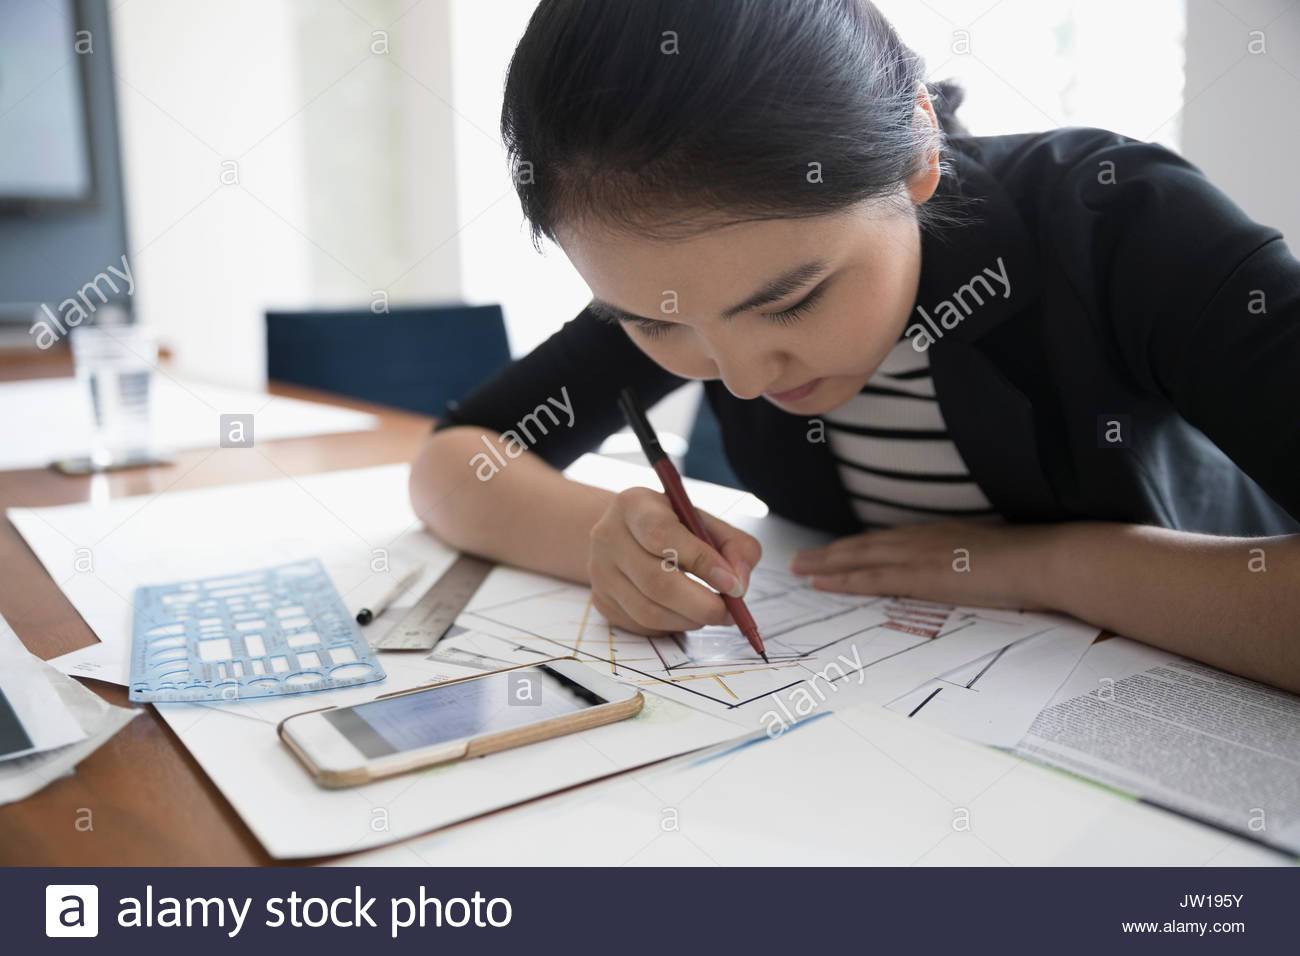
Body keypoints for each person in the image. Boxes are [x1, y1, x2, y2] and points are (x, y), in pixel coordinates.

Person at [410, 0, 1300, 693]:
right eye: (654, 324)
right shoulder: (680, 278)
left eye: (793, 302)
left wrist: (1055, 566)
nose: (744, 377)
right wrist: (607, 543)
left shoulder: (1119, 221)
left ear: (916, 147)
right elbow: (453, 464)